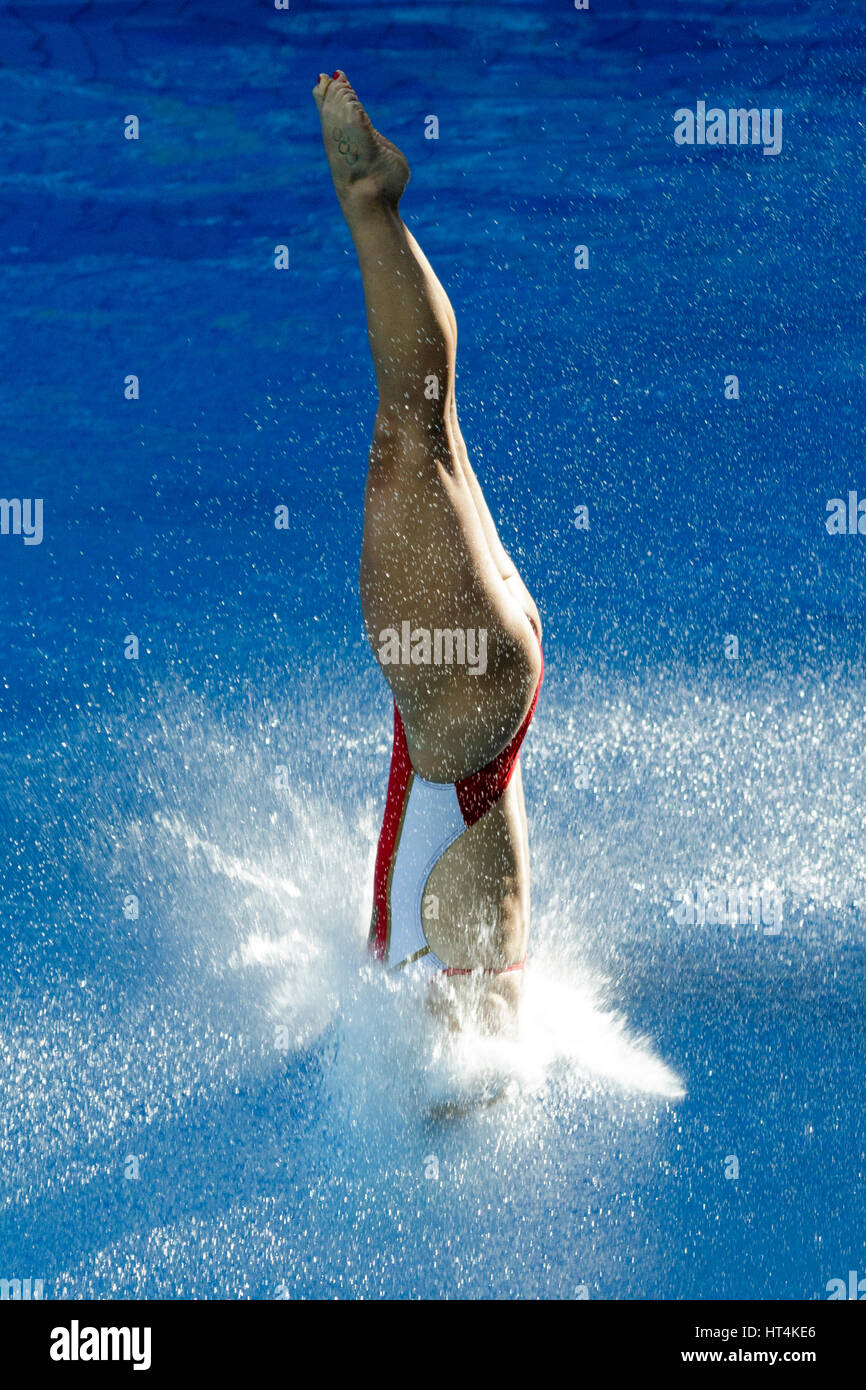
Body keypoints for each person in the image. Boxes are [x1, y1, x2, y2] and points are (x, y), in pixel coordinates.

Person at [314, 71, 543, 1032]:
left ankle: (376, 212)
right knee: (412, 431)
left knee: (423, 431)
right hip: (460, 707)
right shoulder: (451, 1020)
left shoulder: (473, 973)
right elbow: (477, 1065)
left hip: (480, 707)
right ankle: (372, 208)